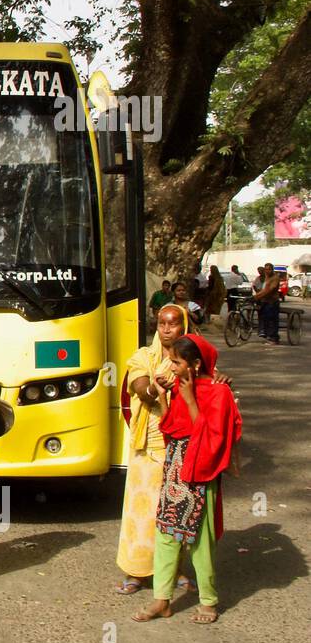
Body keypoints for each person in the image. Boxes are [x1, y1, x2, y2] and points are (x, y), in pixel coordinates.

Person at [134, 334, 241, 624]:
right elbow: (171, 427)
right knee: (166, 534)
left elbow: (209, 438)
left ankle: (208, 601)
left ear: (195, 364)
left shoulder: (219, 394)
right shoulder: (181, 388)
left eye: (177, 361)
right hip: (175, 470)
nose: (172, 365)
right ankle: (162, 600)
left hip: (201, 474)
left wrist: (191, 397)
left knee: (200, 539)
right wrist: (164, 396)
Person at [116, 304, 189, 594]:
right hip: (149, 443)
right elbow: (142, 389)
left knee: (175, 508)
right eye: (162, 323)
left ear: (184, 328)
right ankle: (137, 571)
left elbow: (206, 388)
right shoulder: (142, 357)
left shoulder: (192, 361)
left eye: (173, 324)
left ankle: (174, 569)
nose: (167, 329)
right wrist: (157, 387)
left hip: (183, 443)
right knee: (143, 509)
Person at [253, 262, 282, 344]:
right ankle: (268, 336)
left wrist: (257, 296)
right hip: (265, 301)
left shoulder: (275, 278)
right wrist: (256, 296)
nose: (267, 271)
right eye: (266, 269)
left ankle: (274, 338)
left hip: (272, 302)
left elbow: (270, 290)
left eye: (269, 269)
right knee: (265, 319)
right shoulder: (266, 278)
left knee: (272, 320)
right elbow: (263, 290)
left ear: (272, 270)